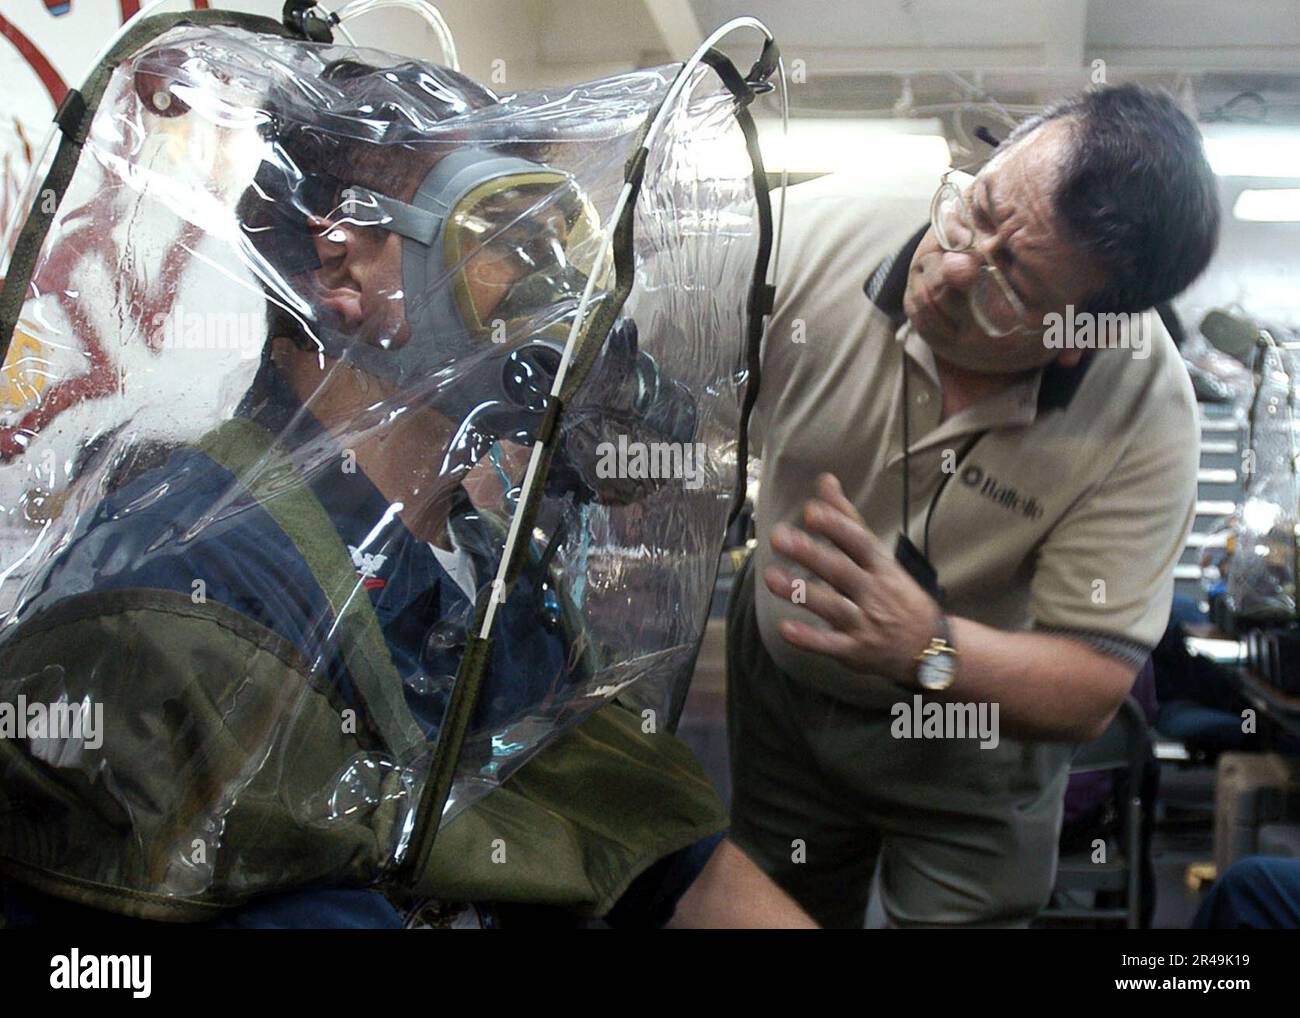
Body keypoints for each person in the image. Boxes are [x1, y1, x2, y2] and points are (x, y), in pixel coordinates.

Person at [0, 56, 813, 929]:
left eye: (557, 240)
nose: (562, 291)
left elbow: (665, 858)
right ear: (340, 270)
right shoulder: (187, 596)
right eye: (504, 238)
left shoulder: (495, 576)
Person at [728, 83, 1221, 928]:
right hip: (789, 698)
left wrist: (926, 647)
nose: (953, 267)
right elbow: (641, 347)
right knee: (773, 906)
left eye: (1013, 284)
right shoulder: (812, 231)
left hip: (976, 737)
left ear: (1079, 339)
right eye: (978, 206)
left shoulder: (1147, 417)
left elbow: (1089, 687)